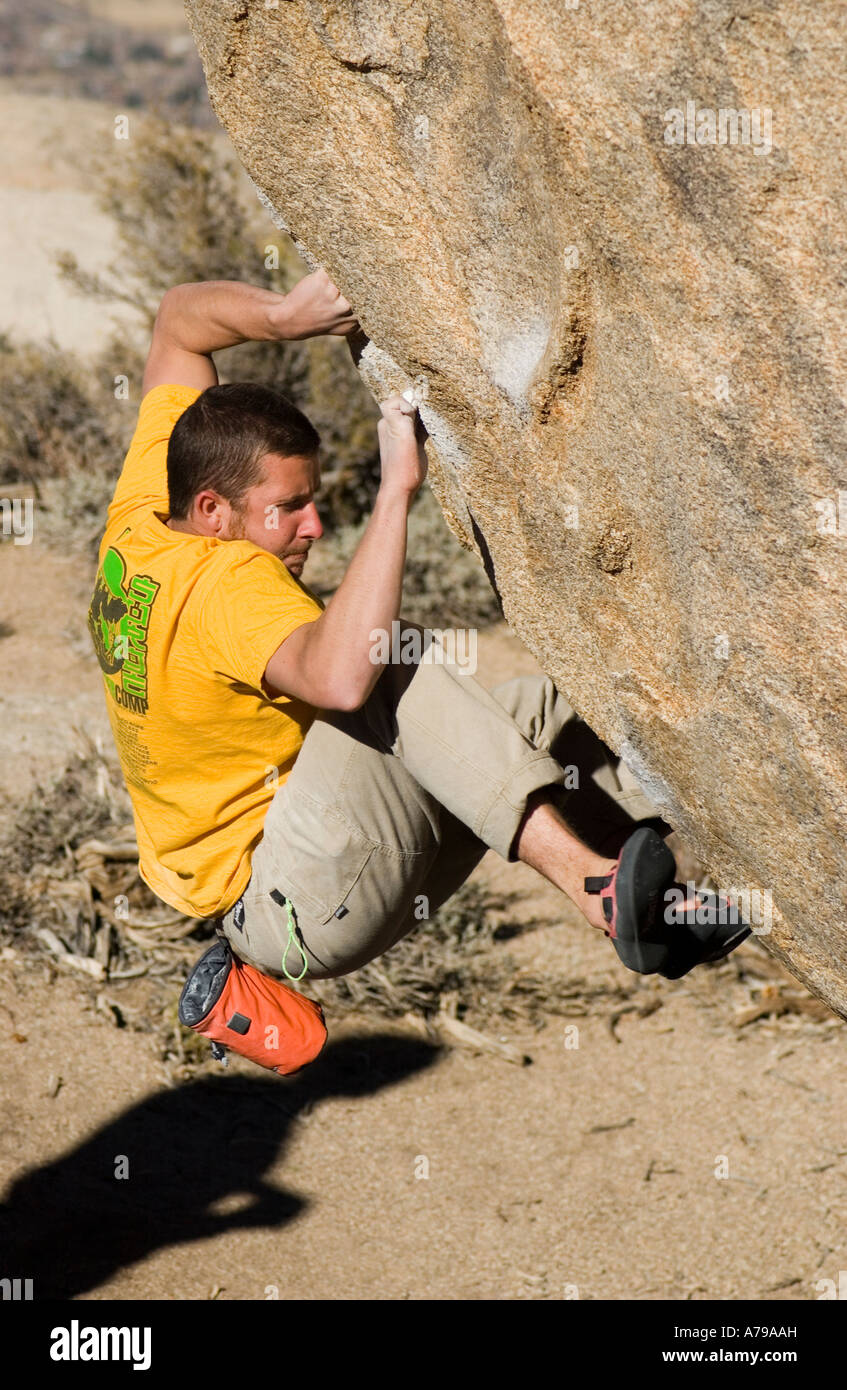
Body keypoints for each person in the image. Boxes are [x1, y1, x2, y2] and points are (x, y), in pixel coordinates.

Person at [88, 269, 749, 1052]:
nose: (313, 528)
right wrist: (394, 493)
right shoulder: (224, 588)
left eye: (314, 499)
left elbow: (176, 322)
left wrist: (283, 315)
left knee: (542, 712)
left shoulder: (145, 517)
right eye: (289, 508)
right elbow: (341, 677)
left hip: (308, 877)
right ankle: (594, 888)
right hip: (297, 897)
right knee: (388, 665)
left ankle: (657, 905)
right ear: (213, 512)